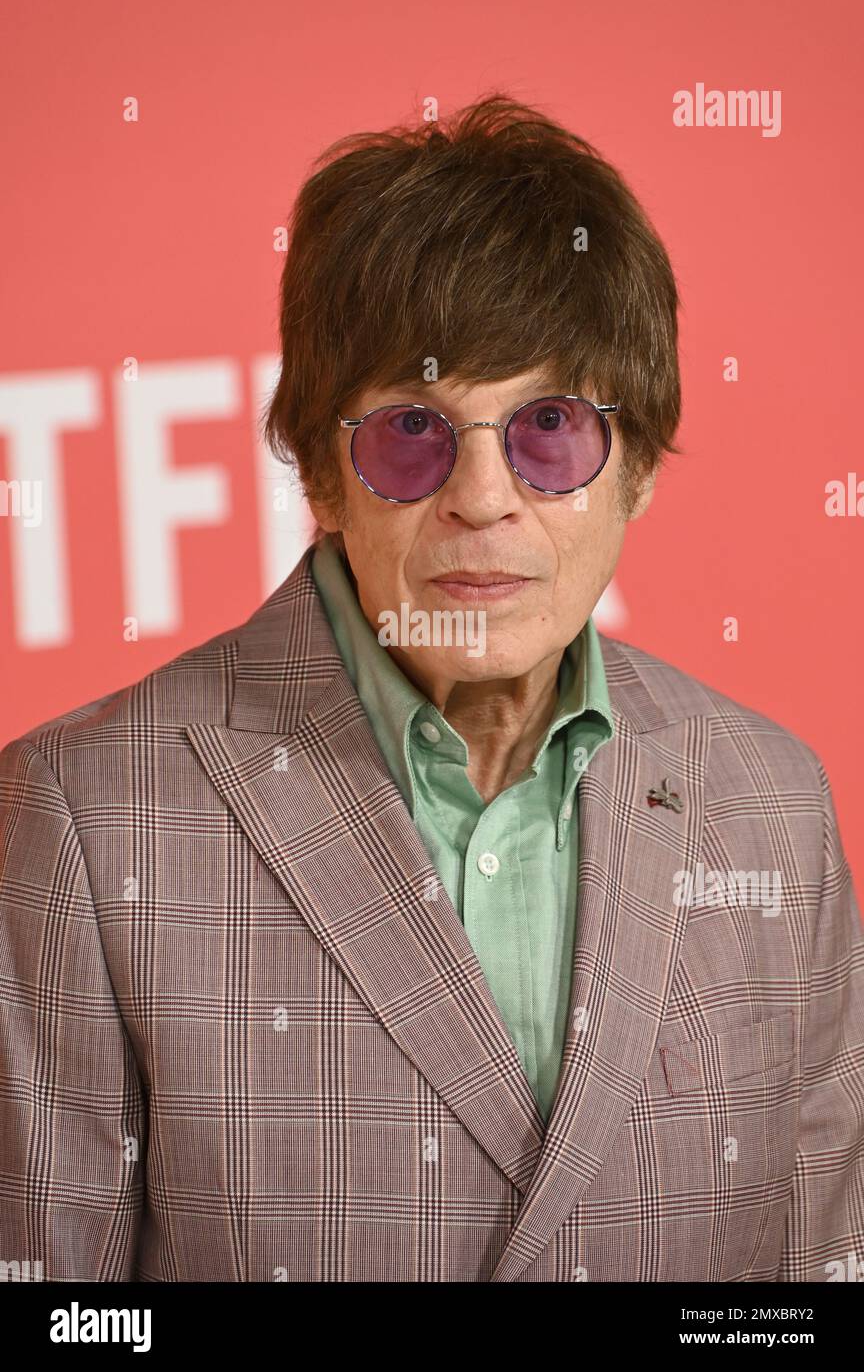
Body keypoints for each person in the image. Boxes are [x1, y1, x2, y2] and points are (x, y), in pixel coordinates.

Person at [1, 94, 862, 1283]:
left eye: (550, 428)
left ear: (643, 466)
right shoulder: (89, 815)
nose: (481, 496)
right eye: (413, 432)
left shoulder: (774, 802)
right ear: (318, 468)